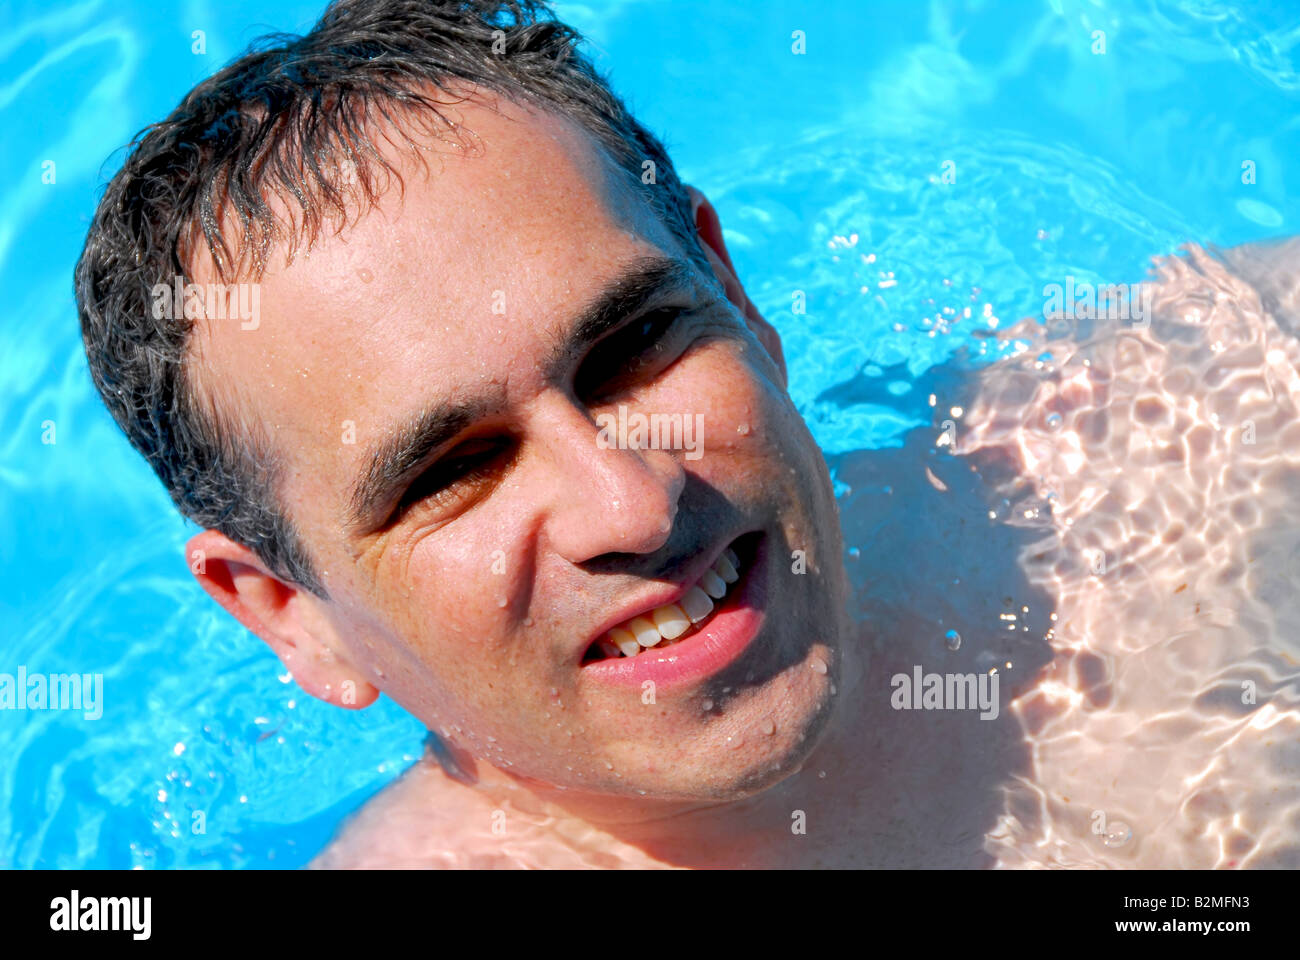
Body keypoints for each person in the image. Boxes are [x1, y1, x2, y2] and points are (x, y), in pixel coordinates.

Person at [76, 0, 1300, 868]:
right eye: (454, 471)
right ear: (287, 615)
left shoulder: (1177, 436)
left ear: (737, 298)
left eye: (631, 350)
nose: (635, 507)